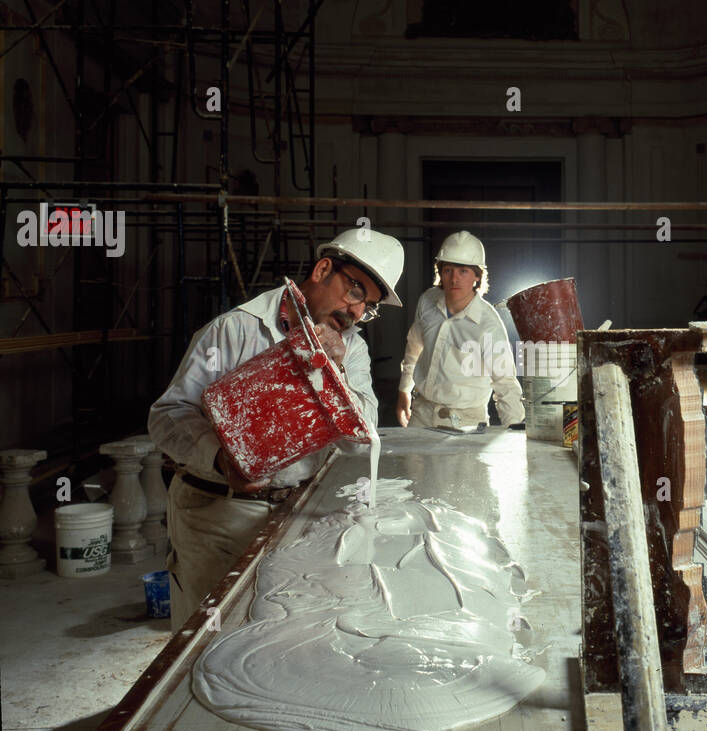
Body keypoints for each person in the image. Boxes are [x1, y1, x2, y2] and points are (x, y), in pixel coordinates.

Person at [148, 228, 404, 632]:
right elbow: (167, 416)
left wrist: (335, 371)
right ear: (322, 269)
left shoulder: (351, 347)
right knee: (208, 640)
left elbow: (363, 441)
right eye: (355, 293)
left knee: (276, 635)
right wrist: (220, 459)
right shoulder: (235, 330)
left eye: (369, 307)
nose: (356, 313)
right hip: (215, 512)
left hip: (294, 511)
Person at [396, 231, 524, 432]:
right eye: (448, 270)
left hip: (466, 421)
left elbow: (505, 382)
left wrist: (516, 432)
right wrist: (404, 389)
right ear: (440, 273)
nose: (454, 279)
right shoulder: (427, 301)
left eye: (463, 271)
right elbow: (414, 347)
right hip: (422, 413)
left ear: (477, 276)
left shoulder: (488, 324)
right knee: (411, 464)